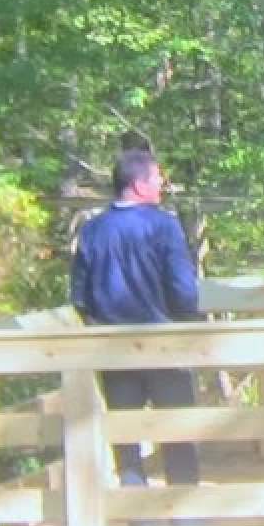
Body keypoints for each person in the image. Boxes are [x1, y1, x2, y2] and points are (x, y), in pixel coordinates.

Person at [69, 144, 203, 486]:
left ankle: (136, 515)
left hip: (112, 350)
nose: (162, 185)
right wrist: (188, 323)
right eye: (158, 179)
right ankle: (184, 514)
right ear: (141, 186)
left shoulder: (93, 230)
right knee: (178, 435)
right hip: (164, 346)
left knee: (125, 441)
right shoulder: (165, 226)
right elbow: (185, 292)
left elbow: (80, 297)